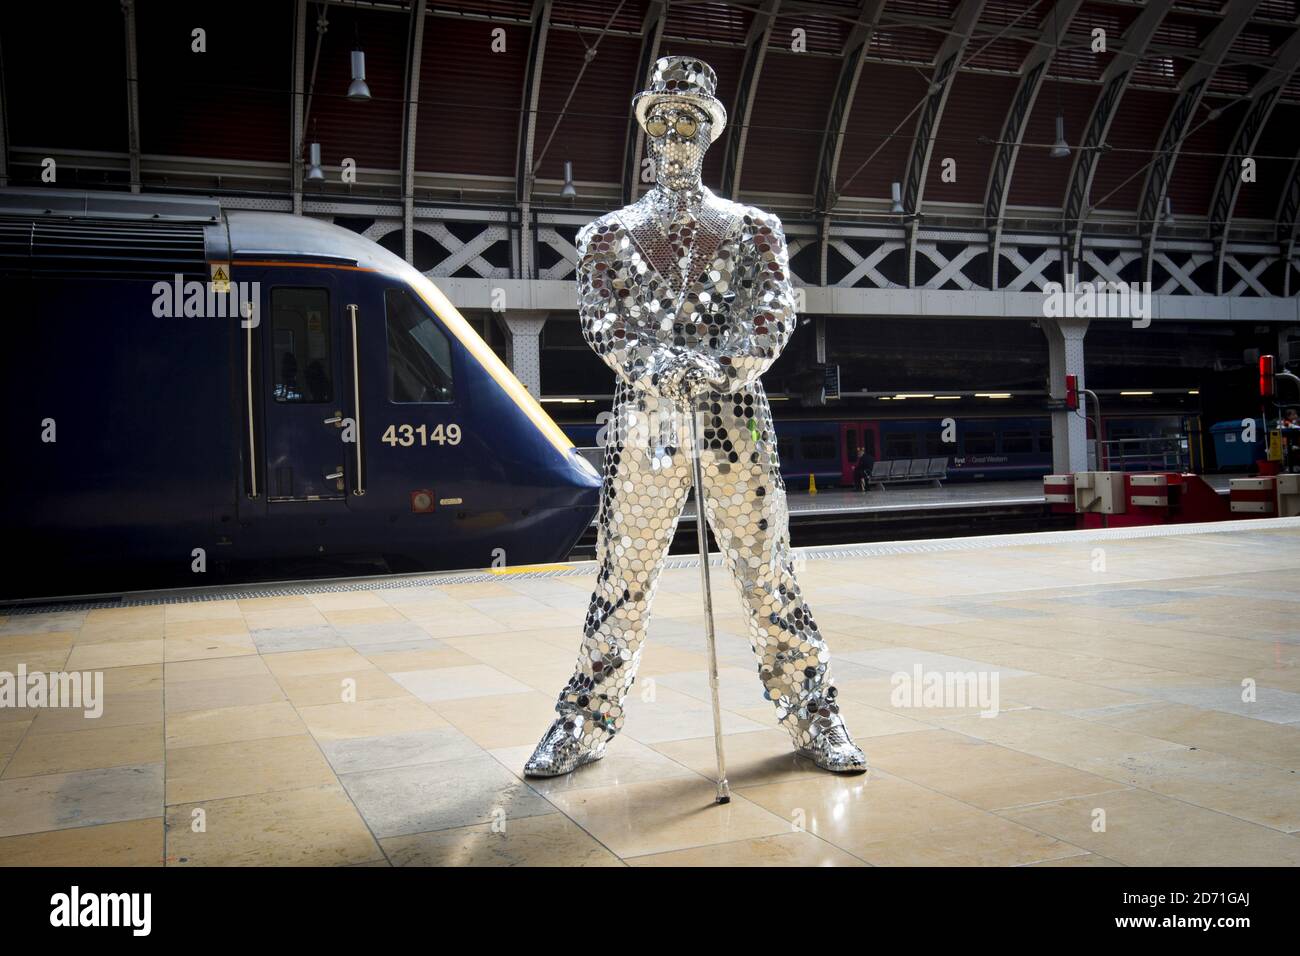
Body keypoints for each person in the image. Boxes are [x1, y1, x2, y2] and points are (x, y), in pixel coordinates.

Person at [523, 56, 867, 778]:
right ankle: (584, 718)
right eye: (663, 119)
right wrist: (656, 368)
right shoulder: (607, 237)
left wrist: (721, 367)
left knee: (770, 574)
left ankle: (813, 711)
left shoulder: (753, 229)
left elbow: (775, 311)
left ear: (710, 134)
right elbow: (605, 322)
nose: (675, 133)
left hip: (733, 420)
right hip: (646, 425)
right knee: (622, 575)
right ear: (647, 133)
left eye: (689, 120)